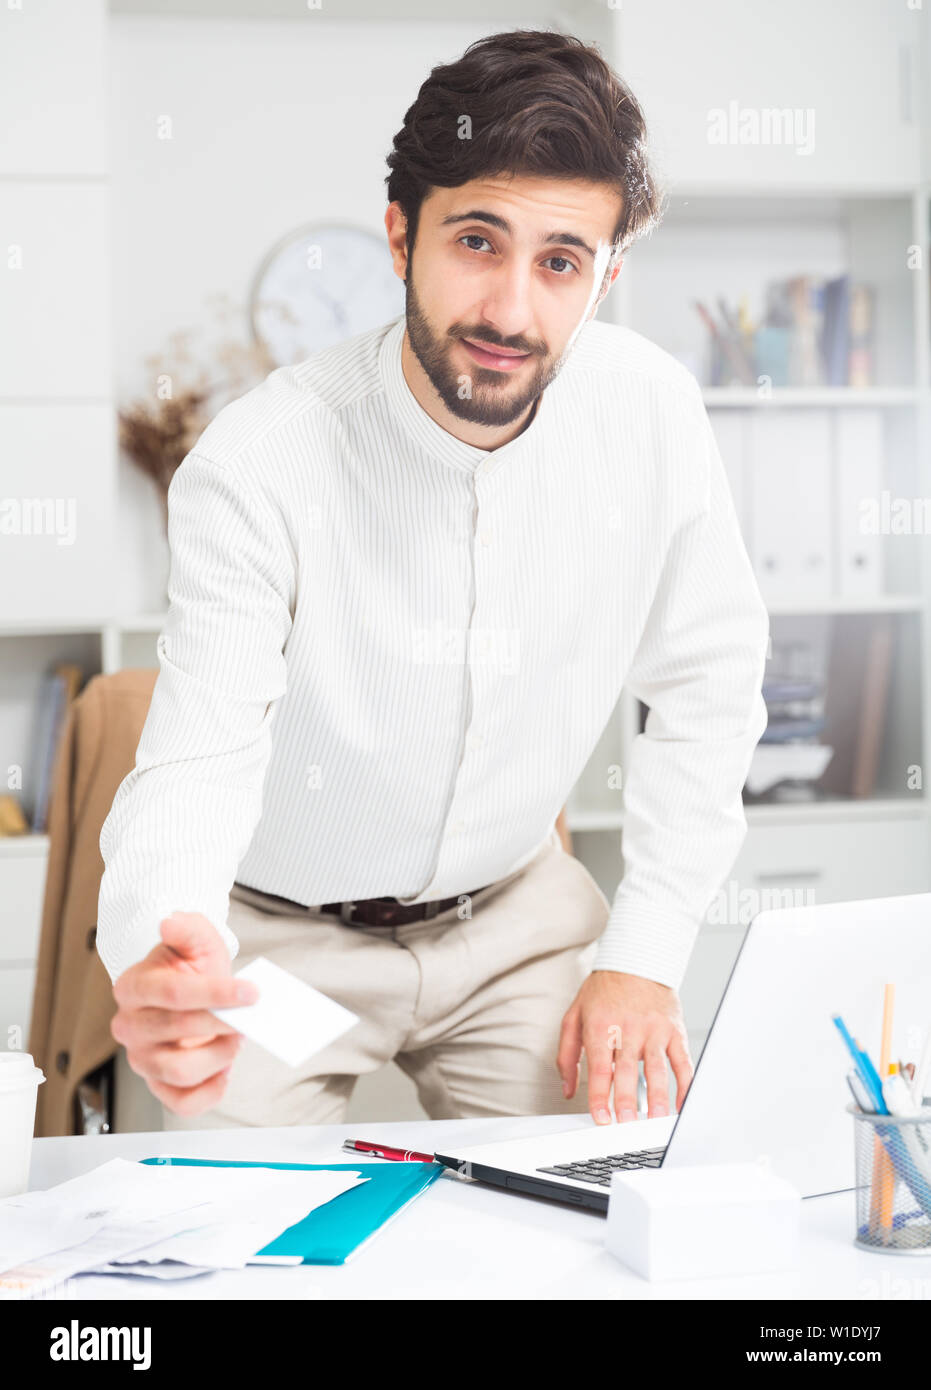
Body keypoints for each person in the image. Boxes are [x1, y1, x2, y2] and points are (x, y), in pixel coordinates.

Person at [98, 29, 768, 1132]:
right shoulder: (258, 462)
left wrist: (642, 954)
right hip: (280, 943)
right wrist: (168, 943)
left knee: (606, 1205)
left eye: (560, 260)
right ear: (401, 235)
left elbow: (708, 684)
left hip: (514, 922)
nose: (510, 310)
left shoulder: (649, 416)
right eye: (476, 240)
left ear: (605, 277)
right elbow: (197, 758)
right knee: (212, 1233)